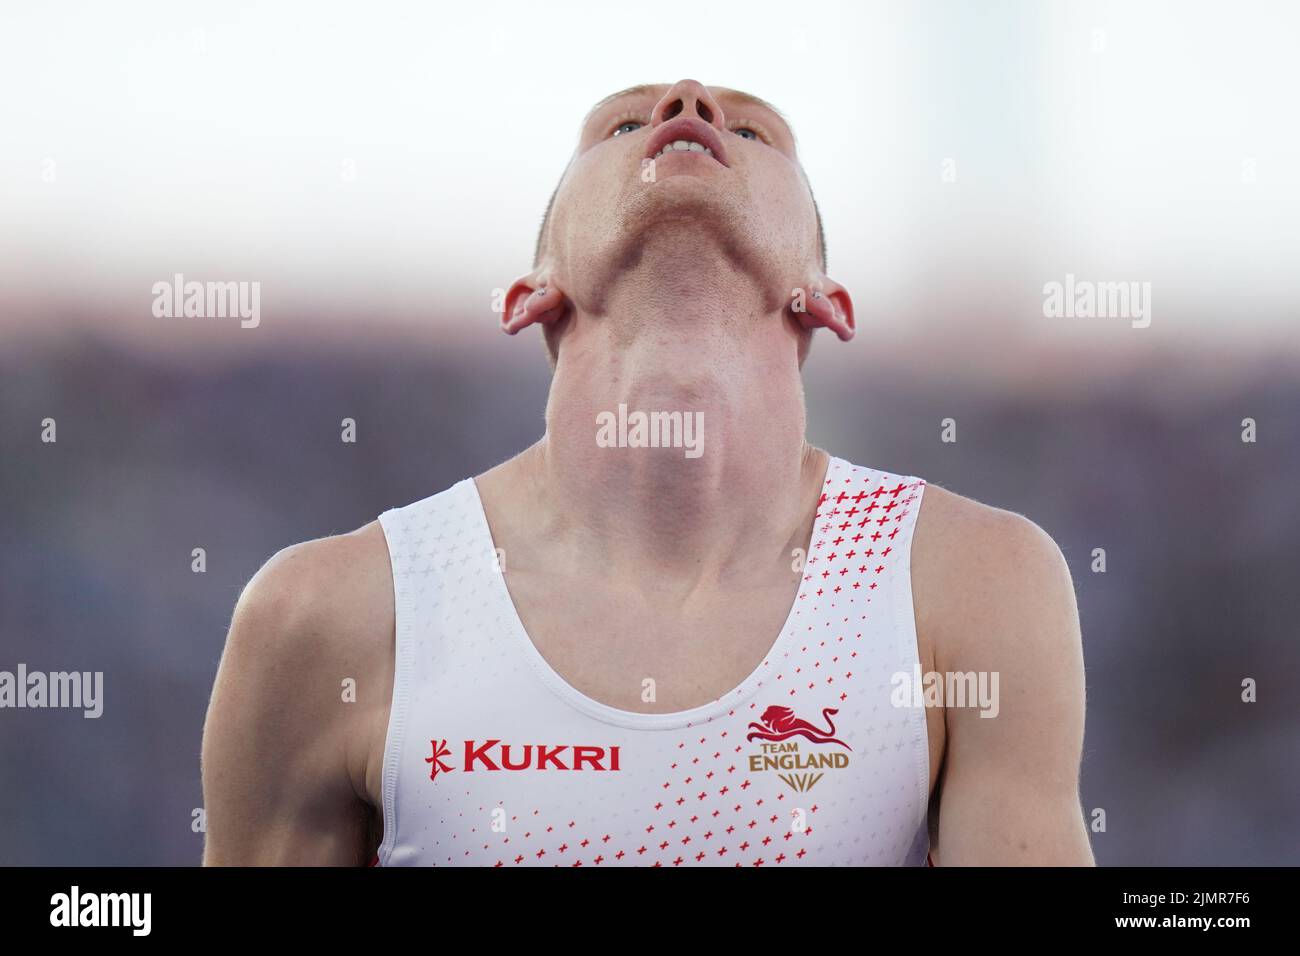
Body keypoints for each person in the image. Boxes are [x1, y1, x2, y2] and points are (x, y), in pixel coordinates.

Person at [200, 79, 1093, 867]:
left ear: (828, 299)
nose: (690, 104)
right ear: (529, 294)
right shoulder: (329, 613)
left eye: (751, 133)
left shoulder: (967, 585)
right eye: (624, 125)